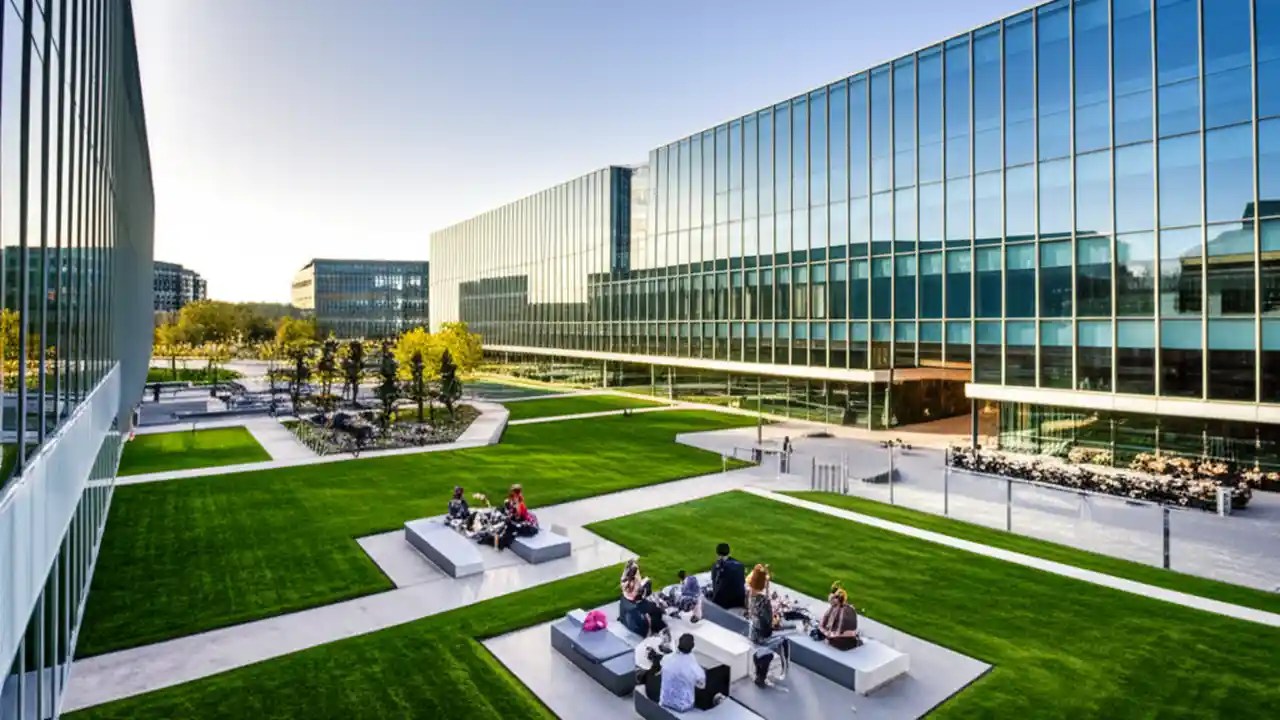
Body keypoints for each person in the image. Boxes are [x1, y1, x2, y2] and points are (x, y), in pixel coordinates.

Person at [659, 634, 729, 712]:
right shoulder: (692, 666)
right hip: (683, 706)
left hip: (665, 700)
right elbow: (702, 684)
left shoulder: (666, 659)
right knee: (714, 678)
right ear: (692, 646)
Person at [746, 564, 791, 687]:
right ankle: (784, 670)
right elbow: (769, 623)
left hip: (753, 632)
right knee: (784, 641)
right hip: (762, 637)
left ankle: (760, 671)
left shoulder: (750, 595)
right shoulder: (764, 602)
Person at [620, 559, 666, 636]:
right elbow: (639, 595)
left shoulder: (623, 580)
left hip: (628, 599)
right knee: (656, 610)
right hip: (636, 603)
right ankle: (659, 628)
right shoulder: (635, 582)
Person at [814, 582, 860, 650]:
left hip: (842, 641)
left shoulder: (837, 611)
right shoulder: (849, 608)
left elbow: (834, 632)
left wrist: (825, 632)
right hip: (851, 639)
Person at [707, 543, 746, 609]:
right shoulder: (740, 565)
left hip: (723, 603)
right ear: (729, 553)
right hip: (740, 601)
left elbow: (716, 587)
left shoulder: (716, 567)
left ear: (717, 554)